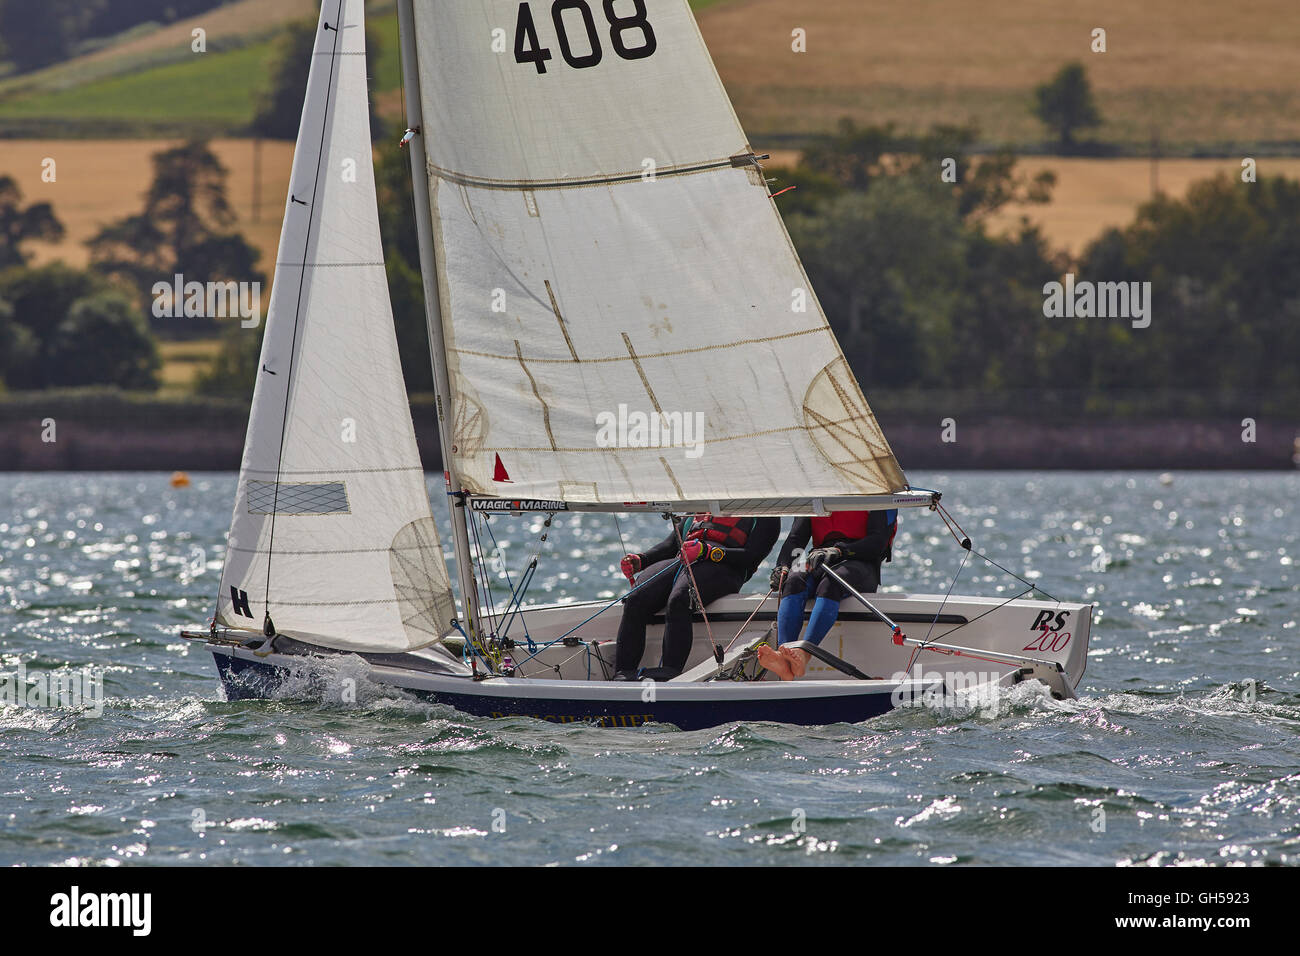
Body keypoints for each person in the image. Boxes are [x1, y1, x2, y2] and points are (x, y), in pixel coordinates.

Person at [613, 513, 780, 681]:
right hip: (687, 559)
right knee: (635, 598)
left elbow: (751, 557)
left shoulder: (764, 514)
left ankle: (670, 670)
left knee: (680, 599)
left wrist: (707, 552)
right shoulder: (701, 506)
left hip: (727, 569)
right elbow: (672, 545)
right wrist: (641, 560)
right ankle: (622, 673)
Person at [756, 509, 897, 680]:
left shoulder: (874, 495)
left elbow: (878, 543)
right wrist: (782, 566)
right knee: (793, 580)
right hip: (820, 559)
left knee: (830, 582)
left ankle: (803, 654)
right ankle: (783, 658)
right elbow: (795, 539)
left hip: (861, 562)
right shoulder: (816, 495)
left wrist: (839, 551)